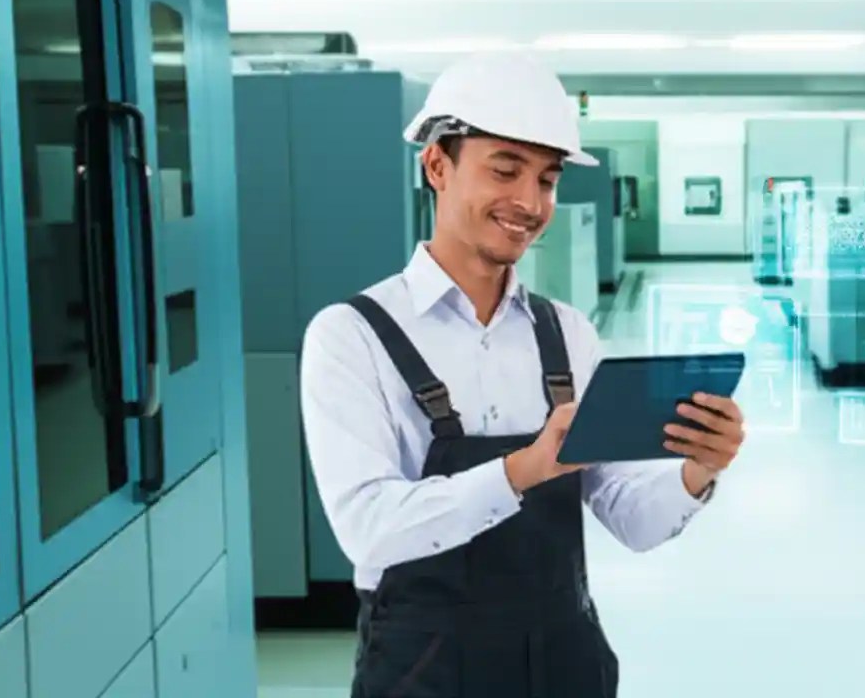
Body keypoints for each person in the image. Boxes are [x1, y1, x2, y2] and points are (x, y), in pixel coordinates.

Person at [299, 50, 747, 698]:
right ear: (437, 166)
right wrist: (520, 471)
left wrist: (697, 470)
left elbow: (630, 517)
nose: (529, 202)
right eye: (504, 170)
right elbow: (368, 526)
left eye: (546, 180)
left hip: (565, 660)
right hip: (424, 673)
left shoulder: (566, 335)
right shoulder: (351, 336)